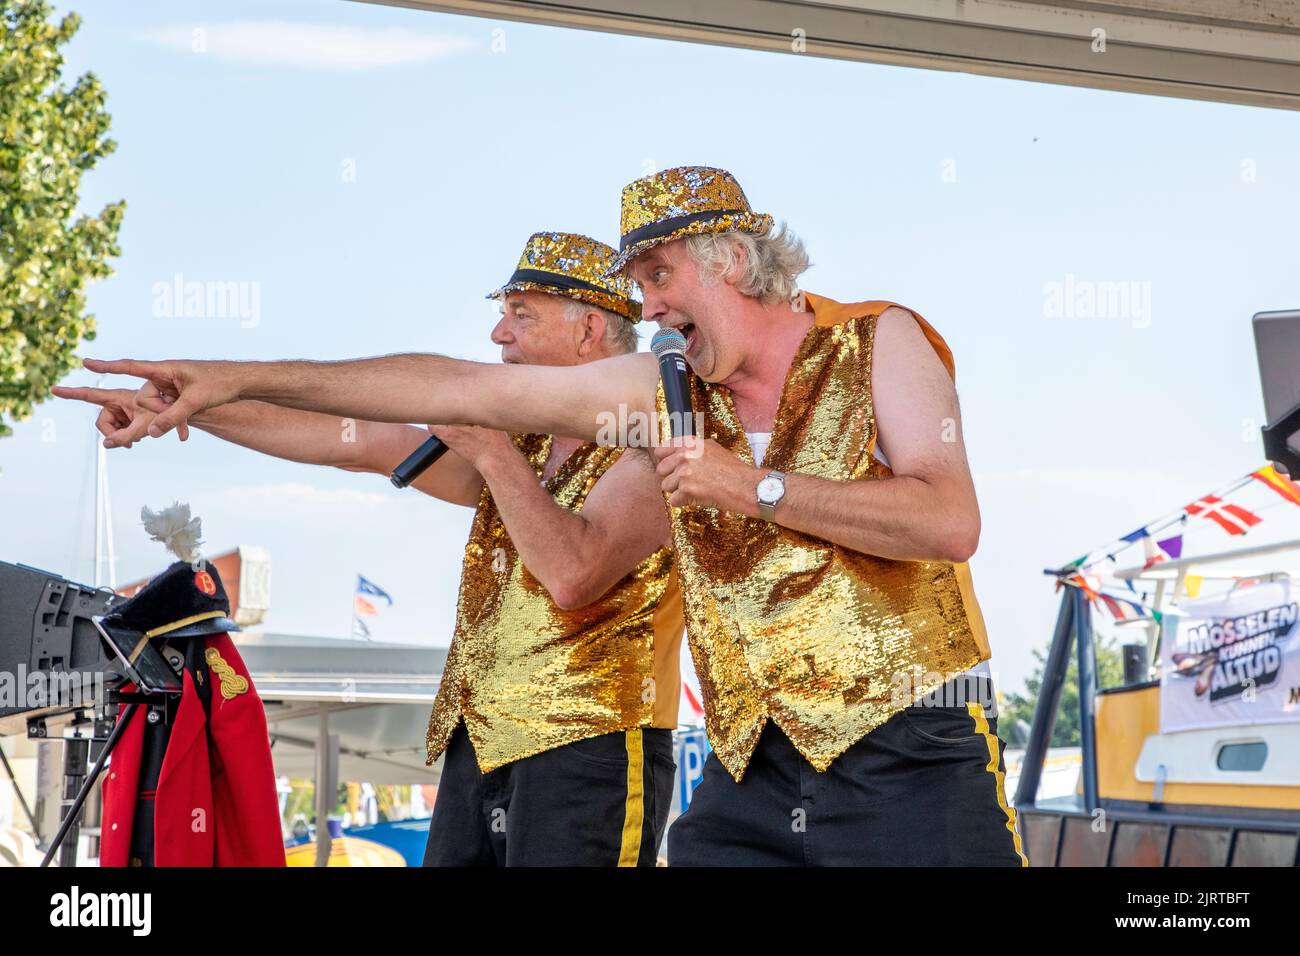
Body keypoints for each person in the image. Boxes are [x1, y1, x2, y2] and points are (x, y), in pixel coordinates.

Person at [69, 167, 1027, 866]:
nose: (647, 307)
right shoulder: (663, 391)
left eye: (656, 277)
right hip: (751, 763)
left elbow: (950, 521)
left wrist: (755, 488)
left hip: (909, 746)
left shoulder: (877, 339)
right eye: (637, 284)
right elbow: (422, 399)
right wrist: (215, 387)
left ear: (733, 259)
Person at [57, 232, 683, 867]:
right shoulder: (519, 448)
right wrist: (192, 404)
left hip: (596, 744)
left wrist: (488, 445)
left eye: (521, 316)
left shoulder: (654, 435)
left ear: (590, 333)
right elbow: (354, 441)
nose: (499, 335)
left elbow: (573, 574)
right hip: (483, 741)